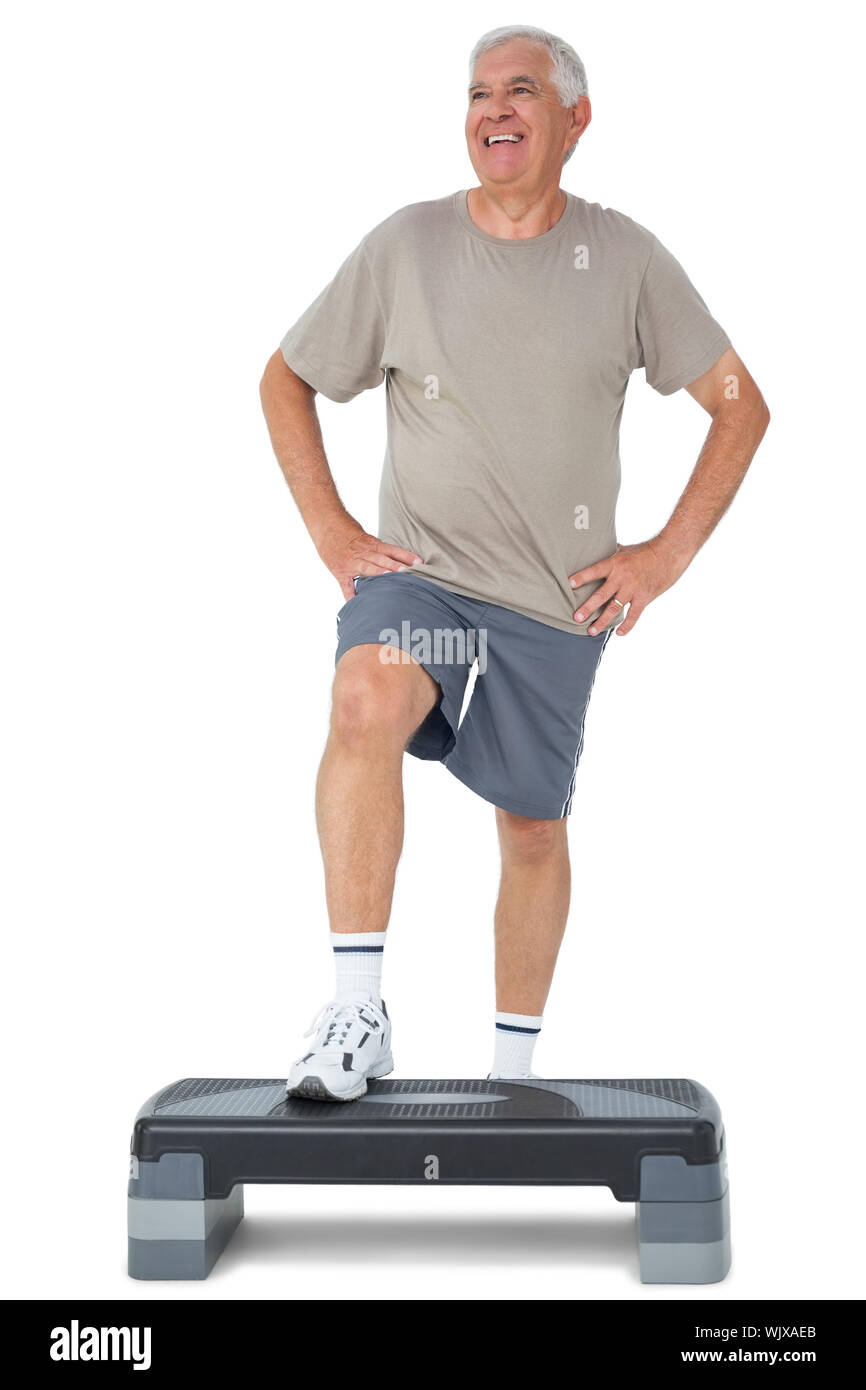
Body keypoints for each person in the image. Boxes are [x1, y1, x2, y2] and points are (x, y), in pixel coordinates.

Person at [259, 23, 770, 1101]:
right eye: (479, 92)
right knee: (365, 695)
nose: (493, 109)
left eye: (521, 91)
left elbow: (738, 404)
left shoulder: (624, 258)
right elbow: (285, 377)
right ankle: (356, 1011)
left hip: (553, 606)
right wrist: (332, 532)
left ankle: (508, 1081)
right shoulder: (405, 247)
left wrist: (662, 557)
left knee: (531, 825)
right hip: (425, 581)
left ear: (573, 121)